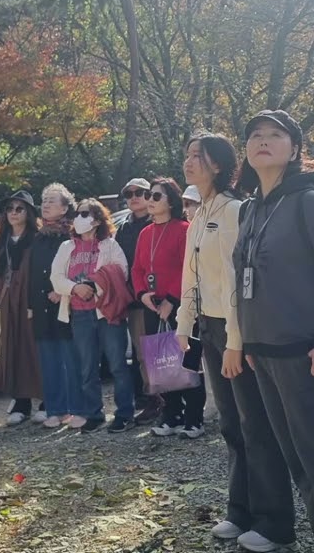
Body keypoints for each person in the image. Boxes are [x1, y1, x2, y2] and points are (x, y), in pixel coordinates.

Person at [234, 110, 314, 553]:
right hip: (264, 354)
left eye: (275, 135)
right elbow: (246, 280)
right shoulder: (252, 208)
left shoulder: (310, 201)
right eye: (255, 135)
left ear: (294, 150)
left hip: (308, 355)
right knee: (298, 466)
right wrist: (249, 342)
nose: (263, 141)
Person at [175, 133, 296, 552]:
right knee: (230, 424)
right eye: (188, 155)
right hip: (209, 327)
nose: (190, 162)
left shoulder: (232, 210)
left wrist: (235, 342)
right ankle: (240, 509)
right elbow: (192, 277)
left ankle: (275, 522)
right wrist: (184, 324)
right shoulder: (199, 213)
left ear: (218, 164)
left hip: (234, 330)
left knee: (255, 425)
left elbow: (235, 281)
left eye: (199, 156)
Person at [51, 199, 133, 433]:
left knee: (118, 365)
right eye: (77, 214)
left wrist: (95, 285)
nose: (78, 218)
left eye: (84, 214)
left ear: (97, 220)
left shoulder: (110, 245)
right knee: (87, 367)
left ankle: (124, 413)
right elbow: (56, 277)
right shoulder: (66, 247)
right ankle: (94, 413)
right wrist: (76, 288)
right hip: (79, 314)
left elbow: (121, 271)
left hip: (107, 313)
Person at [132, 178, 205, 438]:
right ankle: (171, 414)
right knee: (162, 361)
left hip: (180, 305)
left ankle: (194, 418)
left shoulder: (184, 229)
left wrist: (171, 300)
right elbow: (138, 269)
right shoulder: (145, 233)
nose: (149, 201)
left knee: (187, 361)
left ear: (170, 201)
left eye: (155, 196)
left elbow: (188, 268)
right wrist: (142, 294)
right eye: (148, 196)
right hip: (152, 306)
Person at [0, 190, 45, 426]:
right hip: (8, 301)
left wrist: (34, 302)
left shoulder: (37, 239)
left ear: (29, 213)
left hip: (30, 301)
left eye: (19, 208)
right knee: (12, 349)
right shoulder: (1, 241)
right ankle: (20, 402)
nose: (13, 213)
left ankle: (45, 400)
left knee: (35, 350)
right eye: (10, 209)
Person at [32, 183, 83, 429]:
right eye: (44, 200)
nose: (46, 204)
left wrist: (60, 291)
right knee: (48, 361)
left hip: (64, 305)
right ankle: (54, 409)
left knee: (69, 359)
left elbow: (76, 269)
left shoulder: (71, 236)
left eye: (52, 200)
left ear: (65, 208)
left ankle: (75, 408)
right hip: (41, 307)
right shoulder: (39, 237)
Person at [116, 177, 163, 424]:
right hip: (135, 300)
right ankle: (155, 400)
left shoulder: (159, 221)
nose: (134, 197)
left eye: (140, 192)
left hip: (162, 297)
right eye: (129, 193)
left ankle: (176, 401)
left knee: (167, 349)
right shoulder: (123, 228)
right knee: (143, 353)